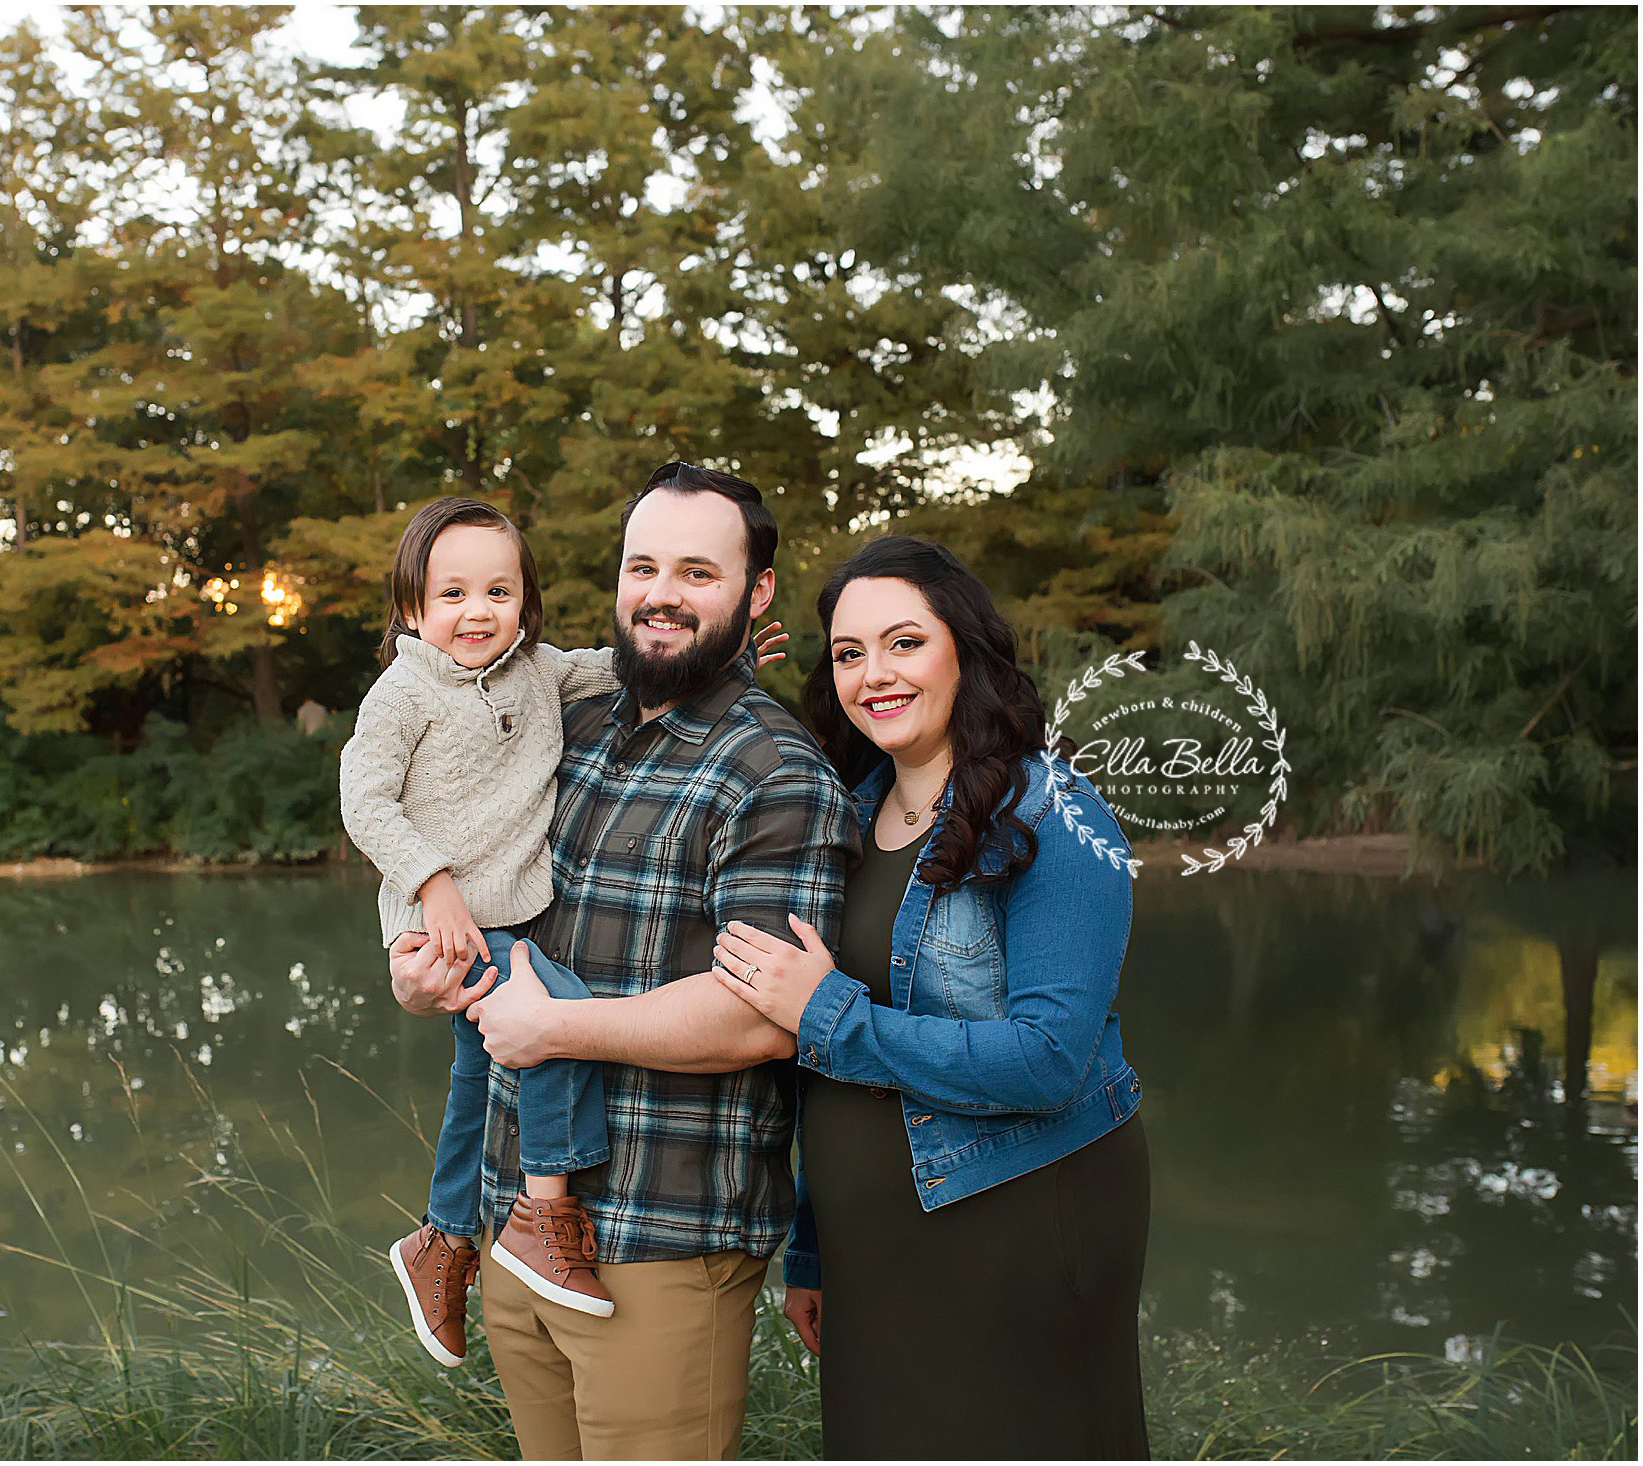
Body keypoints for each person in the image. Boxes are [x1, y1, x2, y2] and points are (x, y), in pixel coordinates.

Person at [387, 463, 858, 1460]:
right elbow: (468, 872)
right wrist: (418, 973)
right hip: (513, 1220)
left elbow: (763, 1014)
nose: (660, 592)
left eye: (696, 570)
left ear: (754, 591)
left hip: (662, 1239)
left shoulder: (775, 772)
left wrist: (557, 1026)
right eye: (643, 566)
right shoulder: (572, 725)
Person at [713, 535, 1151, 1459]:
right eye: (848, 652)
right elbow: (827, 1083)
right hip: (874, 1251)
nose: (875, 673)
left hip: (1015, 1222)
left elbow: (1047, 1059)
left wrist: (827, 1012)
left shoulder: (1053, 814)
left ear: (965, 647)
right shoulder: (845, 807)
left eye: (904, 642)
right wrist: (813, 1250)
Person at [340, 494, 791, 1370]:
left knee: (476, 1080)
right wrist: (432, 887)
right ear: (411, 610)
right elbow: (364, 802)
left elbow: (624, 668)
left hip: (499, 911)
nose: (478, 613)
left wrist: (725, 648)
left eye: (499, 592)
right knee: (558, 1021)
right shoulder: (403, 692)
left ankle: (441, 1235)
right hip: (447, 910)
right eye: (452, 595)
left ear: (525, 599)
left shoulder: (538, 673)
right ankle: (545, 1211)